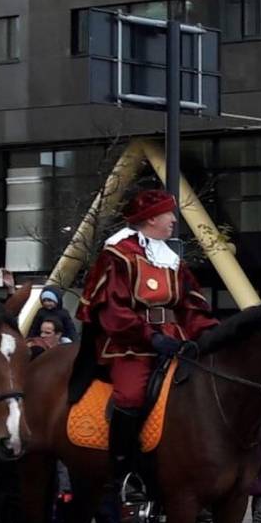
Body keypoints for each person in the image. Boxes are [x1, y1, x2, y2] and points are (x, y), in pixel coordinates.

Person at [75, 188, 218, 501]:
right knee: (132, 394)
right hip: (131, 344)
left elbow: (191, 305)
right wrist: (150, 337)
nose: (173, 220)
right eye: (169, 214)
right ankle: (123, 470)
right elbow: (113, 309)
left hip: (174, 340)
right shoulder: (119, 254)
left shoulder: (171, 259)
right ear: (151, 218)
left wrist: (210, 334)